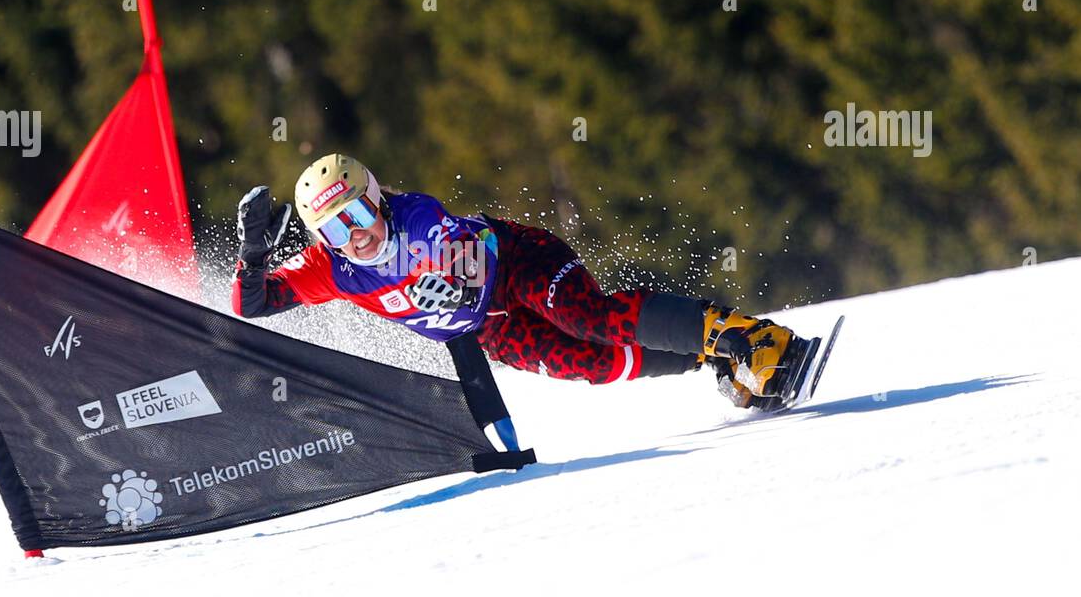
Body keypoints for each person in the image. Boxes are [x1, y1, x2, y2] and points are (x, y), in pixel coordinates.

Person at [231, 153, 808, 409]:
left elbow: (461, 255)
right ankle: (709, 358)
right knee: (592, 363)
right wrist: (252, 252)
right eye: (335, 231)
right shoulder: (331, 270)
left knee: (588, 318)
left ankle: (750, 338)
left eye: (357, 215)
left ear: (377, 197)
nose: (356, 238)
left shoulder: (414, 217)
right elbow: (252, 304)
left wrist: (446, 279)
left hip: (516, 263)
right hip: (490, 329)